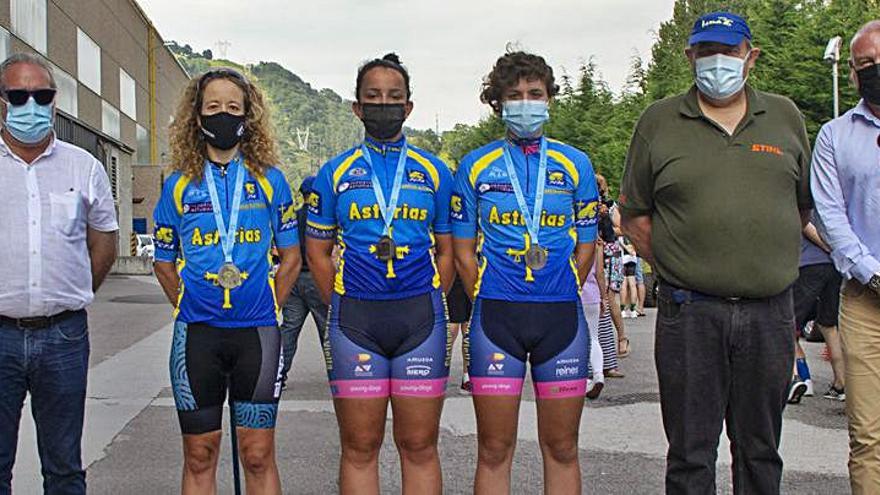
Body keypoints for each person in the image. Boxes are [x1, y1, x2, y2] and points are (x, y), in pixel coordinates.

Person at [620, 12, 813, 494]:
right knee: (690, 454)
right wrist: (679, 267)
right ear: (690, 57)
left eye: (729, 51)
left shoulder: (785, 116)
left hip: (769, 312)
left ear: (751, 56)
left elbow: (801, 205)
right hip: (690, 312)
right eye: (707, 52)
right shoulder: (658, 121)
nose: (718, 62)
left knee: (760, 450)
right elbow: (635, 215)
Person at [306, 53, 454, 495]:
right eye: (373, 97)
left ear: (408, 107)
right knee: (359, 447)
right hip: (355, 321)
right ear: (357, 107)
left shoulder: (435, 172)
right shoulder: (334, 173)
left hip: (420, 319)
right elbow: (318, 252)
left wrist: (431, 297)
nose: (383, 105)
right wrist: (343, 301)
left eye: (394, 97)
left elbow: (448, 250)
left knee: (419, 445)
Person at [452, 50, 599, 494]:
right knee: (494, 450)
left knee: (563, 448)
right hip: (497, 318)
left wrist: (563, 287)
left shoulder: (576, 164)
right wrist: (488, 293)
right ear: (498, 103)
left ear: (549, 98)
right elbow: (462, 253)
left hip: (561, 318)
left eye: (535, 93)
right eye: (514, 95)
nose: (525, 103)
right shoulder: (475, 165)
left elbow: (587, 245)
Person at [153, 67, 301, 495]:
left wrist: (269, 305)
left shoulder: (270, 180)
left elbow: (291, 257)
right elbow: (163, 263)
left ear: (247, 116)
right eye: (213, 106)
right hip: (197, 335)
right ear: (197, 116)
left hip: (257, 334)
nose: (223, 114)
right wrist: (190, 303)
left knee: (257, 454)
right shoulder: (179, 184)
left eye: (233, 107)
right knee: (200, 454)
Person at [0, 53, 118, 495]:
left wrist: (73, 291)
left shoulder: (83, 166)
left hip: (63, 336)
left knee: (65, 466)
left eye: (42, 95)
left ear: (54, 101)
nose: (31, 105)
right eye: (18, 96)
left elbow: (103, 242)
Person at [811, 20, 880, 494]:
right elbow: (831, 216)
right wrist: (872, 274)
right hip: (864, 299)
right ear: (853, 74)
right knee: (868, 436)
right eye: (865, 64)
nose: (875, 70)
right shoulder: (834, 136)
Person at [278, 175, 329, 388]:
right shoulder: (323, 218)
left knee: (289, 328)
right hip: (317, 278)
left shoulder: (292, 217)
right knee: (327, 329)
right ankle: (338, 374)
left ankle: (278, 374)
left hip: (293, 278)